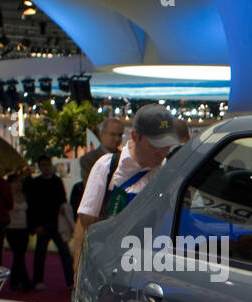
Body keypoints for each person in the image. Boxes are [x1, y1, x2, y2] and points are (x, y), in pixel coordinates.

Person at [73, 105, 177, 266]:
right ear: (135, 136)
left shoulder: (166, 172)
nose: (161, 152)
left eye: (167, 145)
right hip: (108, 264)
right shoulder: (108, 166)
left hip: (148, 264)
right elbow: (86, 219)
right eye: (155, 145)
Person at [22, 155, 71, 289]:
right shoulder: (36, 183)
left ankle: (70, 280)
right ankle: (38, 280)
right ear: (40, 166)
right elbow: (32, 206)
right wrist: (35, 225)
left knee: (64, 253)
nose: (46, 168)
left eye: (47, 165)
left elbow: (63, 200)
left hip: (56, 223)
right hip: (43, 223)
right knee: (40, 253)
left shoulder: (56, 181)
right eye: (43, 165)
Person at [3, 172, 30, 291]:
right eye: (15, 182)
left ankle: (15, 281)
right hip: (12, 228)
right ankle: (24, 282)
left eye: (19, 182)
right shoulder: (7, 196)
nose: (18, 184)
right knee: (18, 254)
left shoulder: (25, 195)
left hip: (24, 229)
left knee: (19, 255)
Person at [79, 117, 126, 181]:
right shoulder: (88, 159)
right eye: (113, 134)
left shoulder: (125, 158)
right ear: (101, 134)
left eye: (120, 135)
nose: (117, 139)